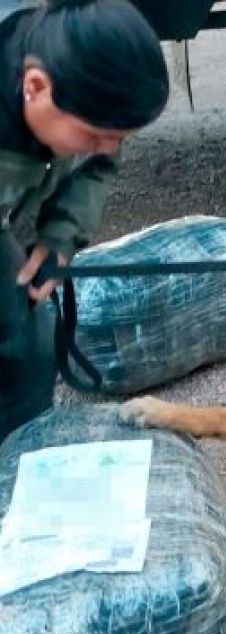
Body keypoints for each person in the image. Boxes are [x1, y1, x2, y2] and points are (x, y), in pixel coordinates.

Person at [1, 0, 169, 440]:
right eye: (96, 136)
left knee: (28, 340)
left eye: (118, 138)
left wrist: (60, 237)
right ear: (35, 87)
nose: (106, 147)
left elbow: (97, 165)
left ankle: (18, 463)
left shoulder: (79, 89)